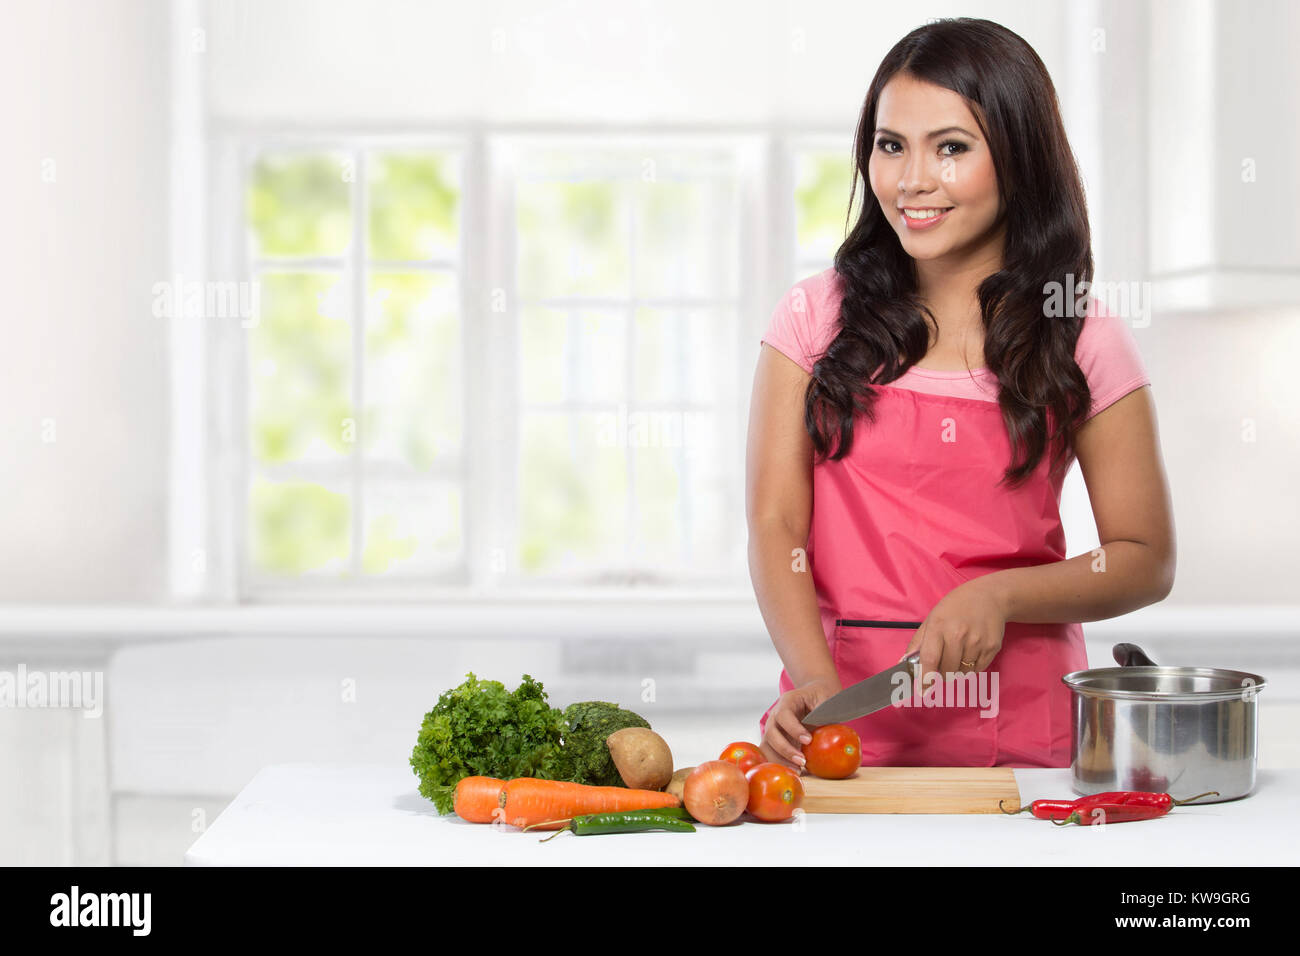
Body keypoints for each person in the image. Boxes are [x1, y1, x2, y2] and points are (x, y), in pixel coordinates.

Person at [747, 18, 1176, 771]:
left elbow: (1145, 558)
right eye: (890, 145)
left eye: (951, 148)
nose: (911, 180)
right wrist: (814, 678)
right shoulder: (813, 318)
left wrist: (1000, 596)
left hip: (1022, 747)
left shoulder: (1079, 334)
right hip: (844, 739)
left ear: (1018, 158)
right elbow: (776, 522)